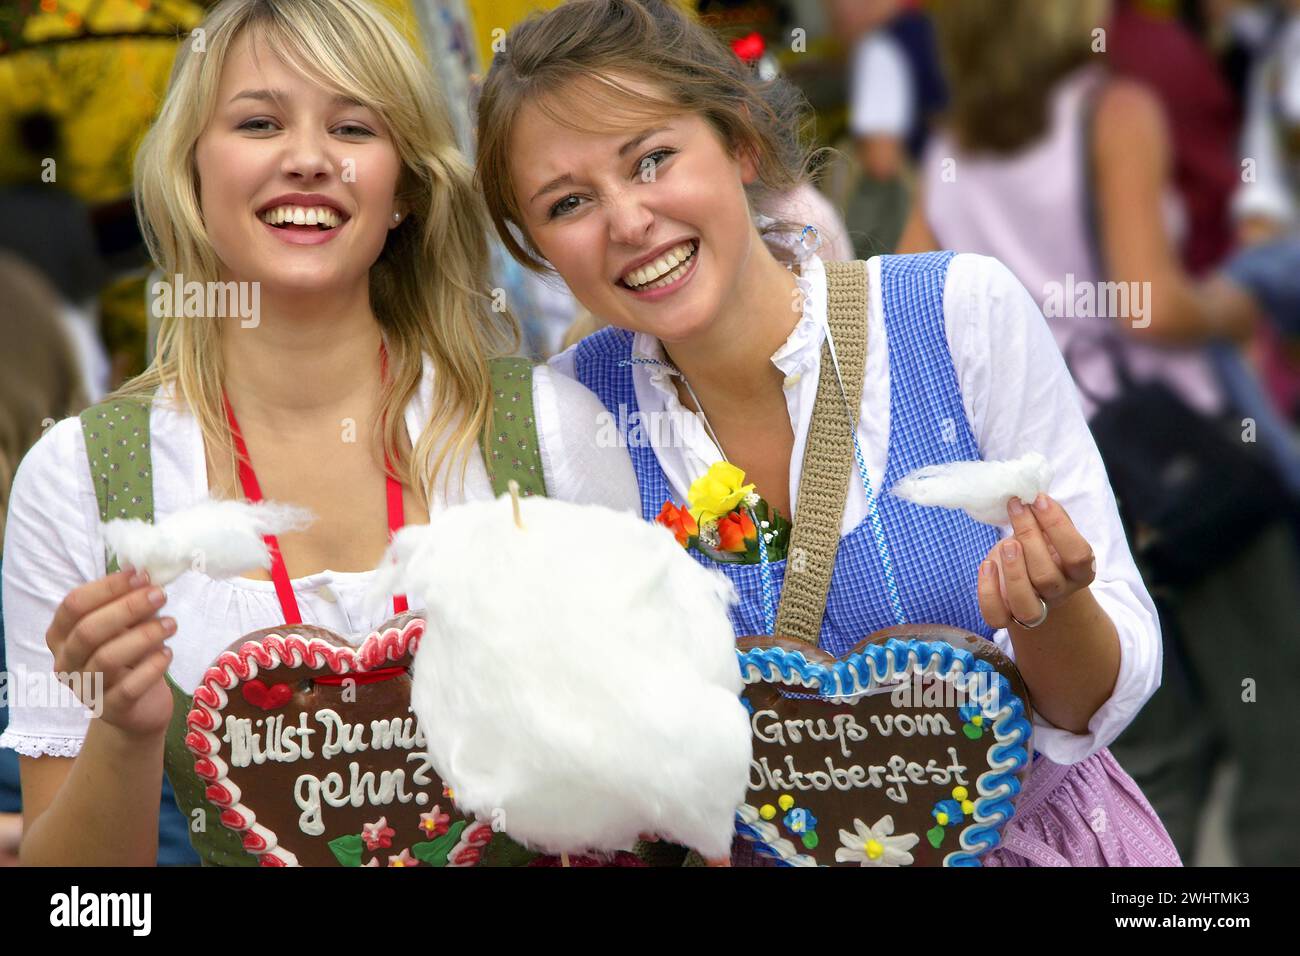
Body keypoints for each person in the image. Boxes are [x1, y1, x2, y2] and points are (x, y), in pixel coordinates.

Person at [475, 0, 1180, 866]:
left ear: (738, 142)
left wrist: (1048, 606)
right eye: (569, 202)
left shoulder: (958, 315)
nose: (626, 221)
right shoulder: (573, 416)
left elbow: (1091, 706)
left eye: (653, 158)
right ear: (539, 249)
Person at [0, 0, 636, 867]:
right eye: (259, 122)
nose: (305, 159)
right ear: (192, 170)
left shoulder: (554, 431)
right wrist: (123, 731)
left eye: (351, 126)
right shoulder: (76, 480)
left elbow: (640, 812)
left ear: (405, 187)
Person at [902, 0, 1300, 865]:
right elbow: (1148, 306)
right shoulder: (1111, 110)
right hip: (1181, 456)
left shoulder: (949, 153)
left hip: (1056, 493)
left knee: (1150, 748)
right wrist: (1243, 299)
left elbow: (910, 301)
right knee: (1278, 726)